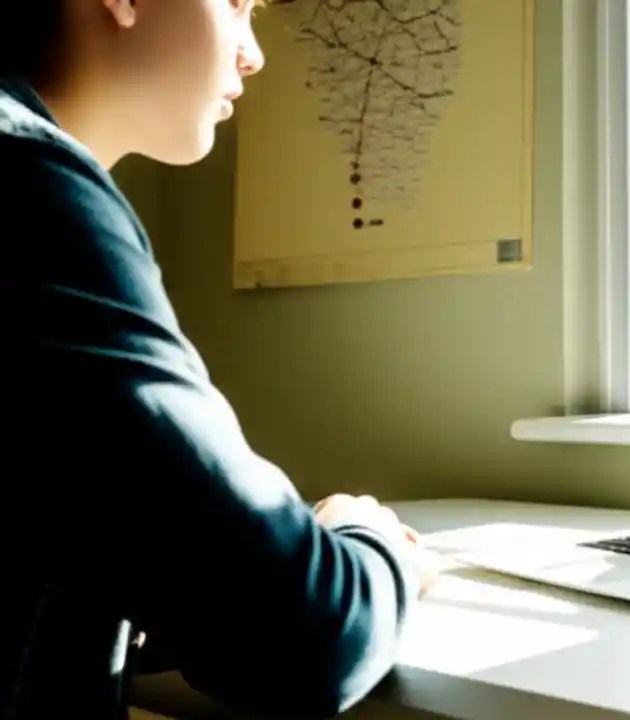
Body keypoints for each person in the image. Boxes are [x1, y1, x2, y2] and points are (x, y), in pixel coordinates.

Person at [0, 1, 437, 717]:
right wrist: (376, 543)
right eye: (237, 5)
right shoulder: (30, 189)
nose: (253, 54)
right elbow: (307, 638)